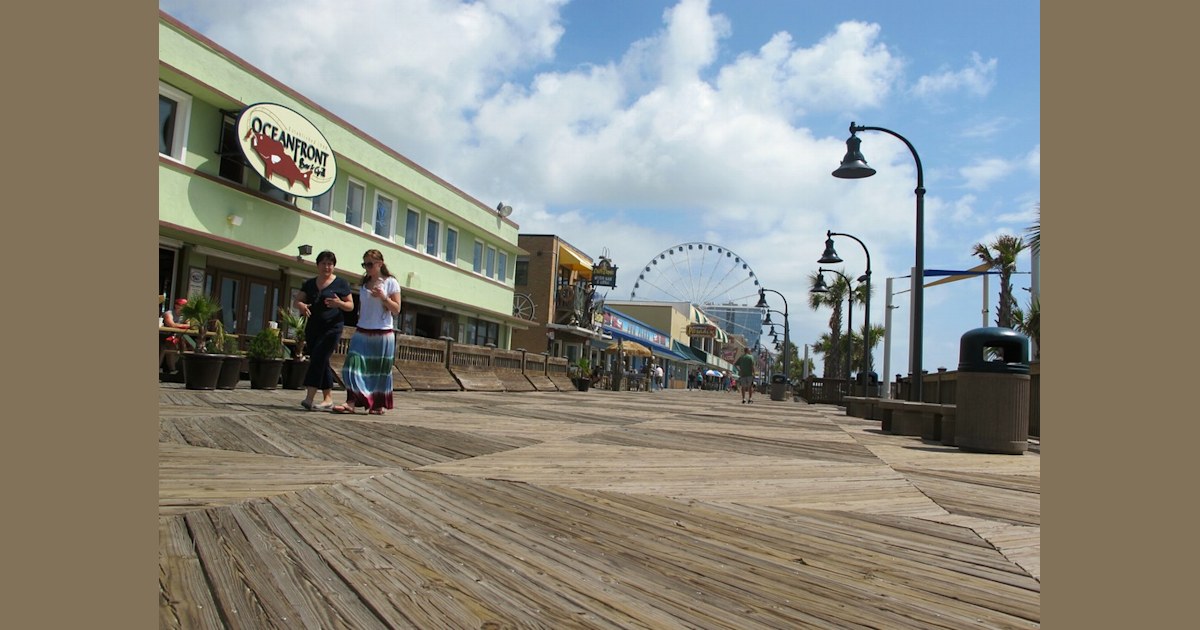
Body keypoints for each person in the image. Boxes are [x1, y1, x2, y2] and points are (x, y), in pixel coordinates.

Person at [331, 249, 402, 415]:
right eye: (365, 264)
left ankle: (377, 404)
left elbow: (397, 309)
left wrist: (384, 297)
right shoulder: (364, 283)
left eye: (370, 264)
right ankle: (351, 401)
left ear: (380, 264)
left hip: (382, 331)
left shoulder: (391, 282)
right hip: (362, 329)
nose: (367, 267)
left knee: (378, 370)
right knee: (352, 366)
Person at [294, 250, 353, 411]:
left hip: (332, 327)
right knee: (321, 360)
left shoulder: (341, 283)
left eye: (330, 264)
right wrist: (302, 305)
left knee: (318, 358)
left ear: (334, 266)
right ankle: (328, 399)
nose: (327, 267)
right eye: (324, 263)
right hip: (313, 327)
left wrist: (339, 304)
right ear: (318, 265)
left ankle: (309, 397)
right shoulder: (310, 283)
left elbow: (350, 306)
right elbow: (297, 300)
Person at [160, 298, 193, 374]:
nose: (185, 308)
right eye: (182, 305)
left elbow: (190, 325)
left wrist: (180, 326)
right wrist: (183, 326)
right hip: (165, 336)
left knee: (191, 345)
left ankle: (184, 370)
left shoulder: (186, 315)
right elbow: (171, 324)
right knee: (170, 346)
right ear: (176, 306)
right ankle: (172, 369)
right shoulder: (169, 313)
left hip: (180, 336)